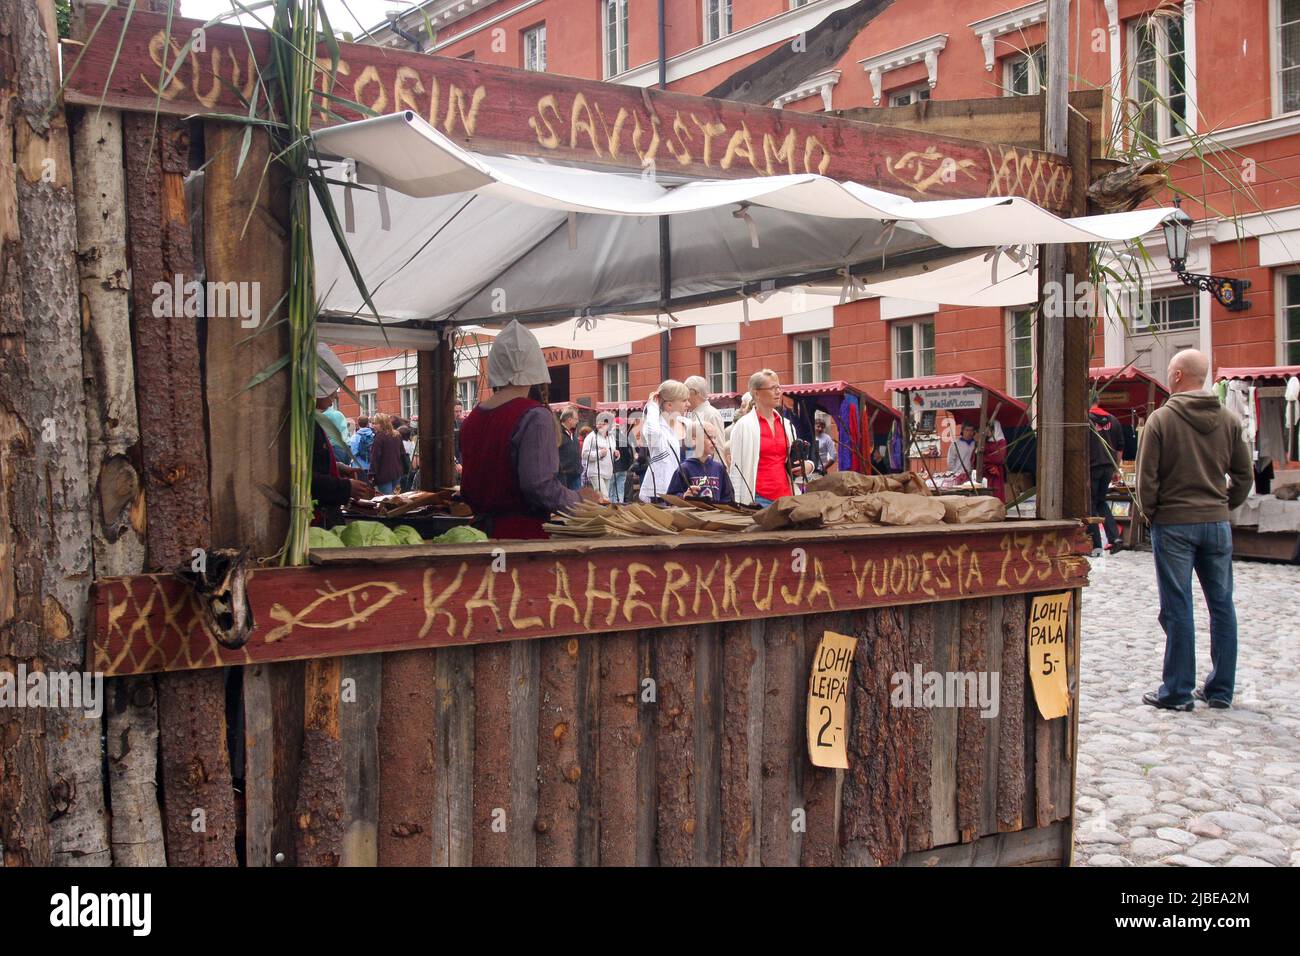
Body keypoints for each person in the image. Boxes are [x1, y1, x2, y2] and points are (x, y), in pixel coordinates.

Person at [1136, 348, 1253, 712]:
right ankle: (1220, 689)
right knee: (1222, 606)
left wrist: (1152, 513)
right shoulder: (1229, 420)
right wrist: (1223, 505)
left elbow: (1146, 481)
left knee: (1178, 606)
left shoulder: (1161, 420)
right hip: (1215, 522)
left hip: (1174, 523)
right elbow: (1245, 476)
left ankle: (1177, 691)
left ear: (1176, 376)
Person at [459, 321, 600, 539]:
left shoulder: (473, 418)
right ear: (535, 366)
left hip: (478, 535)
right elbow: (539, 487)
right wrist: (580, 501)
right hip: (522, 540)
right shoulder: (535, 416)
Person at [313, 344, 374, 525]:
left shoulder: (314, 420)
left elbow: (314, 463)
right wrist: (346, 487)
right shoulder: (305, 424)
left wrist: (337, 466)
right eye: (332, 390)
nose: (334, 397)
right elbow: (305, 477)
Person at [727, 369, 801, 506]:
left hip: (787, 496)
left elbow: (792, 461)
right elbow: (736, 468)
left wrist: (807, 466)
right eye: (773, 388)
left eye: (779, 387)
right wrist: (737, 502)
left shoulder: (786, 425)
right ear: (756, 393)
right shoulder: (744, 426)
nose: (778, 391)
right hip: (758, 498)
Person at [639, 380, 689, 502]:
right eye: (684, 400)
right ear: (669, 405)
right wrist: (652, 405)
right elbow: (653, 433)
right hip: (662, 492)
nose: (688, 404)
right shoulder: (656, 427)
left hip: (685, 490)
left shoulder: (686, 423)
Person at [1088, 397, 1125, 556]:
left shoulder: (1086, 420)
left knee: (1090, 505)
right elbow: (1120, 447)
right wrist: (1116, 469)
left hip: (1092, 467)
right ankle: (1115, 537)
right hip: (1108, 467)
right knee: (1101, 502)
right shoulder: (1113, 420)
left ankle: (1096, 546)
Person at [667, 422, 734, 502]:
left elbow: (728, 497)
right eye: (709, 438)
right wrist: (684, 496)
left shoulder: (719, 468)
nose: (714, 442)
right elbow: (670, 498)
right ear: (693, 440)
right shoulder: (684, 469)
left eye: (714, 438)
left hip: (714, 514)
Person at [683, 375, 726, 464]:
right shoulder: (695, 413)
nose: (684, 396)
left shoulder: (711, 414)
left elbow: (719, 446)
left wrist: (718, 473)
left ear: (694, 392)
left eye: (685, 392)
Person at [581, 414, 618, 500]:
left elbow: (611, 453)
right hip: (595, 472)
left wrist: (616, 454)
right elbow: (584, 454)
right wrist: (600, 453)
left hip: (608, 472)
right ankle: (603, 513)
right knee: (604, 498)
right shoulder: (591, 437)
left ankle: (597, 512)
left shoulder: (611, 437)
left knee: (601, 498)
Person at [367, 413, 406, 495]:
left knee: (386, 500)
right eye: (373, 423)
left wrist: (371, 474)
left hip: (384, 474)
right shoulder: (397, 435)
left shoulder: (379, 437)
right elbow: (403, 454)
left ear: (382, 424)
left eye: (376, 423)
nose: (373, 426)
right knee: (392, 497)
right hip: (396, 472)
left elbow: (375, 458)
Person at [557, 408, 583, 491]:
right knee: (563, 501)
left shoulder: (573, 433)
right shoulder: (558, 434)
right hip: (563, 475)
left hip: (575, 474)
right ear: (569, 420)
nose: (577, 421)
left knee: (577, 502)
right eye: (576, 419)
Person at [611, 417, 632, 504]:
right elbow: (629, 453)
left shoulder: (610, 435)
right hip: (624, 468)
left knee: (611, 490)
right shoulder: (625, 437)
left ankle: (610, 509)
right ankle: (619, 508)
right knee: (620, 491)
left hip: (613, 467)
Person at [398, 424, 417, 492]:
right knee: (408, 487)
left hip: (403, 468)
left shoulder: (401, 444)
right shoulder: (412, 443)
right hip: (411, 468)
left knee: (402, 488)